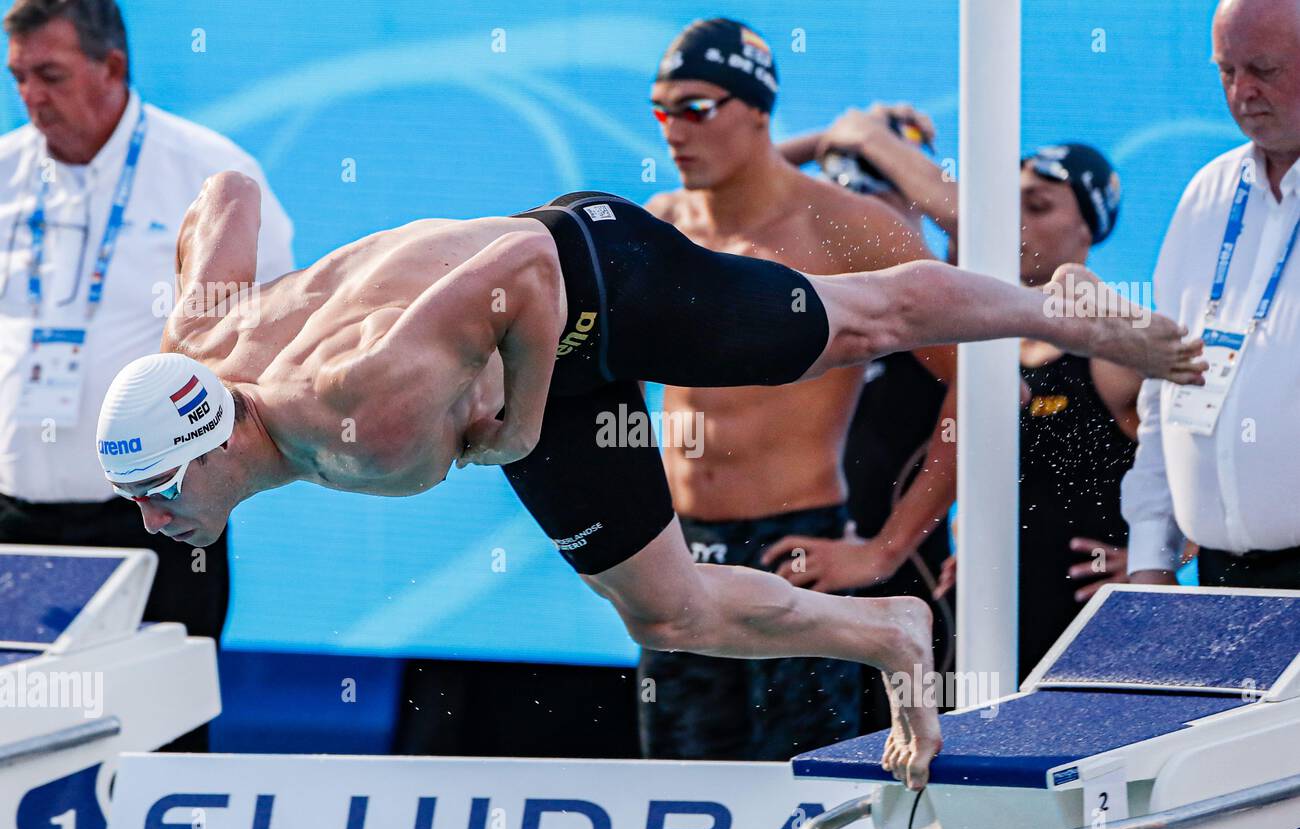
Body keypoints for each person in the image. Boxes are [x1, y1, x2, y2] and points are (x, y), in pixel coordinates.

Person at [94, 168, 1202, 789]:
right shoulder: (200, 351)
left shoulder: (360, 406)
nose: (153, 520)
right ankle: (892, 631)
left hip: (589, 273)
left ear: (208, 442)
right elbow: (227, 192)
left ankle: (1059, 305)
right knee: (669, 611)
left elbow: (521, 264)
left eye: (154, 491)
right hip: (523, 351)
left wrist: (523, 414)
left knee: (857, 321)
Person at [635, 18, 956, 761]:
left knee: (804, 799)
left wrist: (883, 549)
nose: (673, 131)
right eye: (661, 111)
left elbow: (983, 385)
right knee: (681, 806)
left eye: (695, 109)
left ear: (756, 110)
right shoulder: (661, 226)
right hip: (678, 554)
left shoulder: (846, 230)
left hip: (793, 549)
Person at [0, 0, 294, 750]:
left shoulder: (211, 177)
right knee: (16, 746)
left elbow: (268, 346)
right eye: (18, 76)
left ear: (113, 67)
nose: (31, 96)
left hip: (156, 520)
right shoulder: (4, 174)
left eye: (51, 75)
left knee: (159, 745)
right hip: (13, 522)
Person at [778, 104, 1147, 679]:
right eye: (1010, 203)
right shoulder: (971, 345)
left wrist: (1159, 559)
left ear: (1088, 230)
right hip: (985, 623)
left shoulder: (1108, 351)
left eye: (1039, 206)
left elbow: (1209, 445)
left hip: (1089, 633)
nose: (1016, 221)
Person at [1124, 0, 1300, 591]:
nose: (1242, 91)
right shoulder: (1208, 193)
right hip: (1222, 578)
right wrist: (1150, 556)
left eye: (1263, 69)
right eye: (1226, 71)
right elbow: (1161, 382)